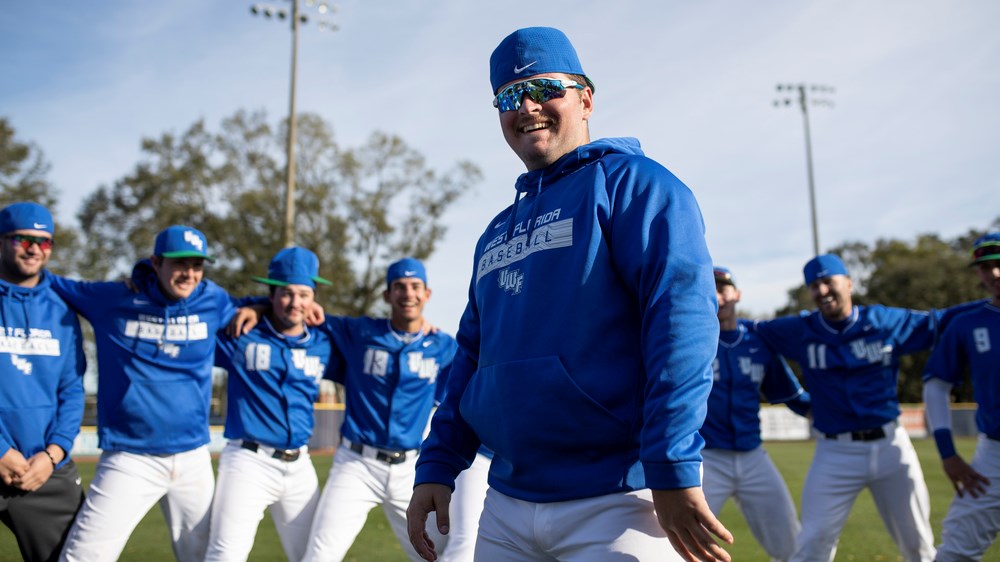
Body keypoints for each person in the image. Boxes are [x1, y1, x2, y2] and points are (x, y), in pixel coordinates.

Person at [407, 27, 731, 562]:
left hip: (619, 501)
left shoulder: (639, 185)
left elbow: (682, 326)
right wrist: (439, 463)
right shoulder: (496, 231)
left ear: (585, 98)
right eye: (509, 97)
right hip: (507, 503)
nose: (528, 106)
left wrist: (671, 467)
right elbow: (471, 356)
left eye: (545, 88)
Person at [752, 253, 978, 562]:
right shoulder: (798, 329)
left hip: (891, 446)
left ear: (849, 283)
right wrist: (795, 399)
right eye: (814, 286)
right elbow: (748, 333)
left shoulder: (883, 321)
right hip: (835, 452)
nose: (821, 291)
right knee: (812, 545)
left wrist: (988, 306)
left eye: (828, 282)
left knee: (918, 545)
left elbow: (939, 321)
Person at [54, 225, 238, 562]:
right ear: (156, 262)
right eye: (180, 264)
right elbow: (52, 284)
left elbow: (247, 308)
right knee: (83, 556)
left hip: (193, 458)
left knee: (206, 557)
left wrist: (258, 309)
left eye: (197, 265)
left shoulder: (213, 299)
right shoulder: (115, 298)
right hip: (130, 457)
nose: (190, 273)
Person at [301, 257, 458, 562]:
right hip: (357, 464)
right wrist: (257, 307)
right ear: (387, 295)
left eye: (415, 287)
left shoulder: (442, 346)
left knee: (442, 554)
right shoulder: (361, 332)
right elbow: (301, 311)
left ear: (427, 294)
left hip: (409, 470)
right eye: (399, 287)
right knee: (321, 554)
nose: (407, 293)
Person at [206, 247, 335, 561]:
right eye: (286, 293)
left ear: (314, 296)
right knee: (225, 554)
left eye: (304, 294)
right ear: (271, 294)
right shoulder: (242, 333)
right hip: (249, 461)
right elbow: (205, 306)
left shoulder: (323, 341)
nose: (295, 302)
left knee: (313, 555)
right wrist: (255, 306)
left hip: (300, 466)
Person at [702, 266, 810, 561]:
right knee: (678, 544)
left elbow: (792, 395)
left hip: (753, 458)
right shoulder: (693, 339)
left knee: (792, 546)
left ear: (736, 295)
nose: (717, 296)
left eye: (722, 289)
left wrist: (825, 409)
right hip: (706, 458)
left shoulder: (758, 341)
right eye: (709, 289)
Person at [0, 202, 86, 562]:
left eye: (44, 242)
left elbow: (72, 390)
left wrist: (53, 455)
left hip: (42, 470)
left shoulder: (63, 308)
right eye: (23, 239)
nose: (35, 249)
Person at [922, 232, 1000, 561]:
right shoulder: (968, 323)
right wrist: (947, 453)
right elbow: (936, 384)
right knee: (954, 552)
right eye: (984, 267)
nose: (993, 273)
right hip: (994, 454)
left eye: (998, 263)